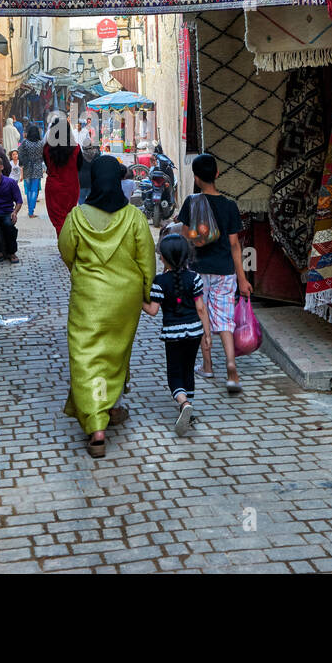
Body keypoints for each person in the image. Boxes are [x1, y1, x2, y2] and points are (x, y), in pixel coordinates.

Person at [58, 156, 155, 457]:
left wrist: (84, 273)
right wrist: (146, 294)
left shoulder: (76, 217)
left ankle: (97, 425)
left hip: (89, 298)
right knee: (114, 353)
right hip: (124, 301)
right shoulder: (134, 217)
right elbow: (147, 261)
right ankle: (108, 407)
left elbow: (66, 251)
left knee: (87, 356)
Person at [176, 153, 251, 394]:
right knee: (225, 320)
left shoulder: (191, 202)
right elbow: (235, 245)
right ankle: (231, 367)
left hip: (197, 269)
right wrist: (242, 278)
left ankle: (207, 366)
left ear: (196, 179)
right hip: (224, 272)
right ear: (217, 174)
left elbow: (186, 237)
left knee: (202, 317)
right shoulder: (229, 206)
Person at [143, 234, 206, 436]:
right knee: (188, 369)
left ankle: (184, 403)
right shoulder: (195, 278)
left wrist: (136, 299)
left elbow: (152, 310)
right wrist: (207, 333)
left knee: (174, 372)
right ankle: (189, 407)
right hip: (195, 331)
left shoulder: (160, 281)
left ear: (163, 258)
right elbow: (201, 308)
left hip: (173, 334)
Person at [43, 112, 81, 234]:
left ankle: (63, 245)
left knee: (58, 220)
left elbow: (47, 166)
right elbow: (79, 167)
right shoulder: (76, 148)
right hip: (71, 186)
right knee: (68, 218)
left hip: (54, 187)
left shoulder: (47, 148)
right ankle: (67, 246)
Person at [18, 124, 45, 217]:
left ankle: (30, 210)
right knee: (34, 190)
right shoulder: (41, 143)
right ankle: (31, 211)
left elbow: (19, 153)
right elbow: (43, 155)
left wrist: (23, 161)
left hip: (27, 167)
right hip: (37, 167)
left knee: (29, 190)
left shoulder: (25, 142)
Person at [76, 135, 99, 206]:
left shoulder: (80, 155)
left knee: (81, 199)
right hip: (93, 180)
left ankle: (83, 213)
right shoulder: (96, 155)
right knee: (92, 200)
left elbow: (77, 167)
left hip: (81, 180)